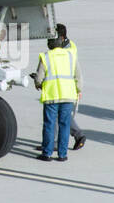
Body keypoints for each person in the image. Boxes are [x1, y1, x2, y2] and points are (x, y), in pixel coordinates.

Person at [33, 32, 82, 162]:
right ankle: (62, 155)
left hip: (51, 96)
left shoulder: (46, 57)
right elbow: (78, 77)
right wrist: (78, 90)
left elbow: (39, 78)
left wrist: (38, 84)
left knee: (49, 124)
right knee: (65, 125)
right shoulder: (71, 56)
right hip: (68, 96)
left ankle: (47, 153)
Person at [55, 24, 87, 150]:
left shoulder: (66, 50)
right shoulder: (68, 45)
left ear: (61, 37)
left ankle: (58, 142)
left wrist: (78, 89)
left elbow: (73, 70)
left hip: (66, 88)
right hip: (65, 86)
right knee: (63, 115)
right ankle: (78, 135)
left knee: (59, 115)